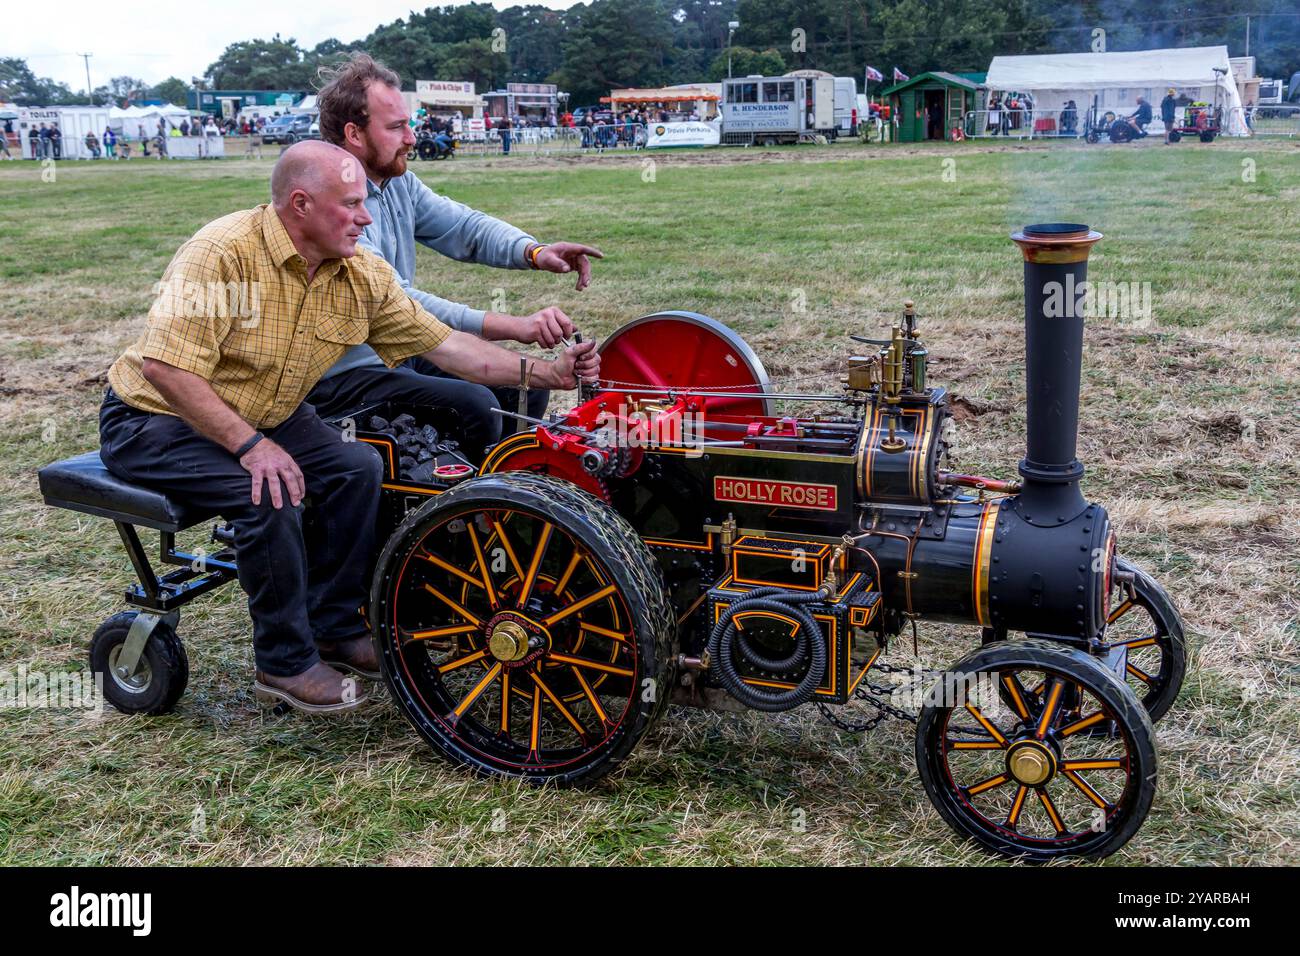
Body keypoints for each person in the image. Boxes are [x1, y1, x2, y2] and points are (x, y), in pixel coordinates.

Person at [98, 140, 598, 712]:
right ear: (301, 204)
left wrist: (548, 372)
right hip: (155, 416)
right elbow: (167, 367)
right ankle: (283, 664)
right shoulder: (222, 253)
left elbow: (452, 350)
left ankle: (334, 626)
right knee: (267, 491)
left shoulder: (359, 271)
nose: (367, 217)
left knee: (357, 467)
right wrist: (252, 447)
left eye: (366, 202)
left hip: (268, 407)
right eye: (352, 204)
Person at [311, 54, 605, 462]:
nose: (411, 138)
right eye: (396, 127)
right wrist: (514, 326)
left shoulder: (397, 184)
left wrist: (534, 251)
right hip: (345, 375)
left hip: (398, 352)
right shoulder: (333, 201)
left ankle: (506, 496)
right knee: (475, 406)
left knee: (523, 391)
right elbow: (401, 304)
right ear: (354, 134)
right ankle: (457, 514)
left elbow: (464, 227)